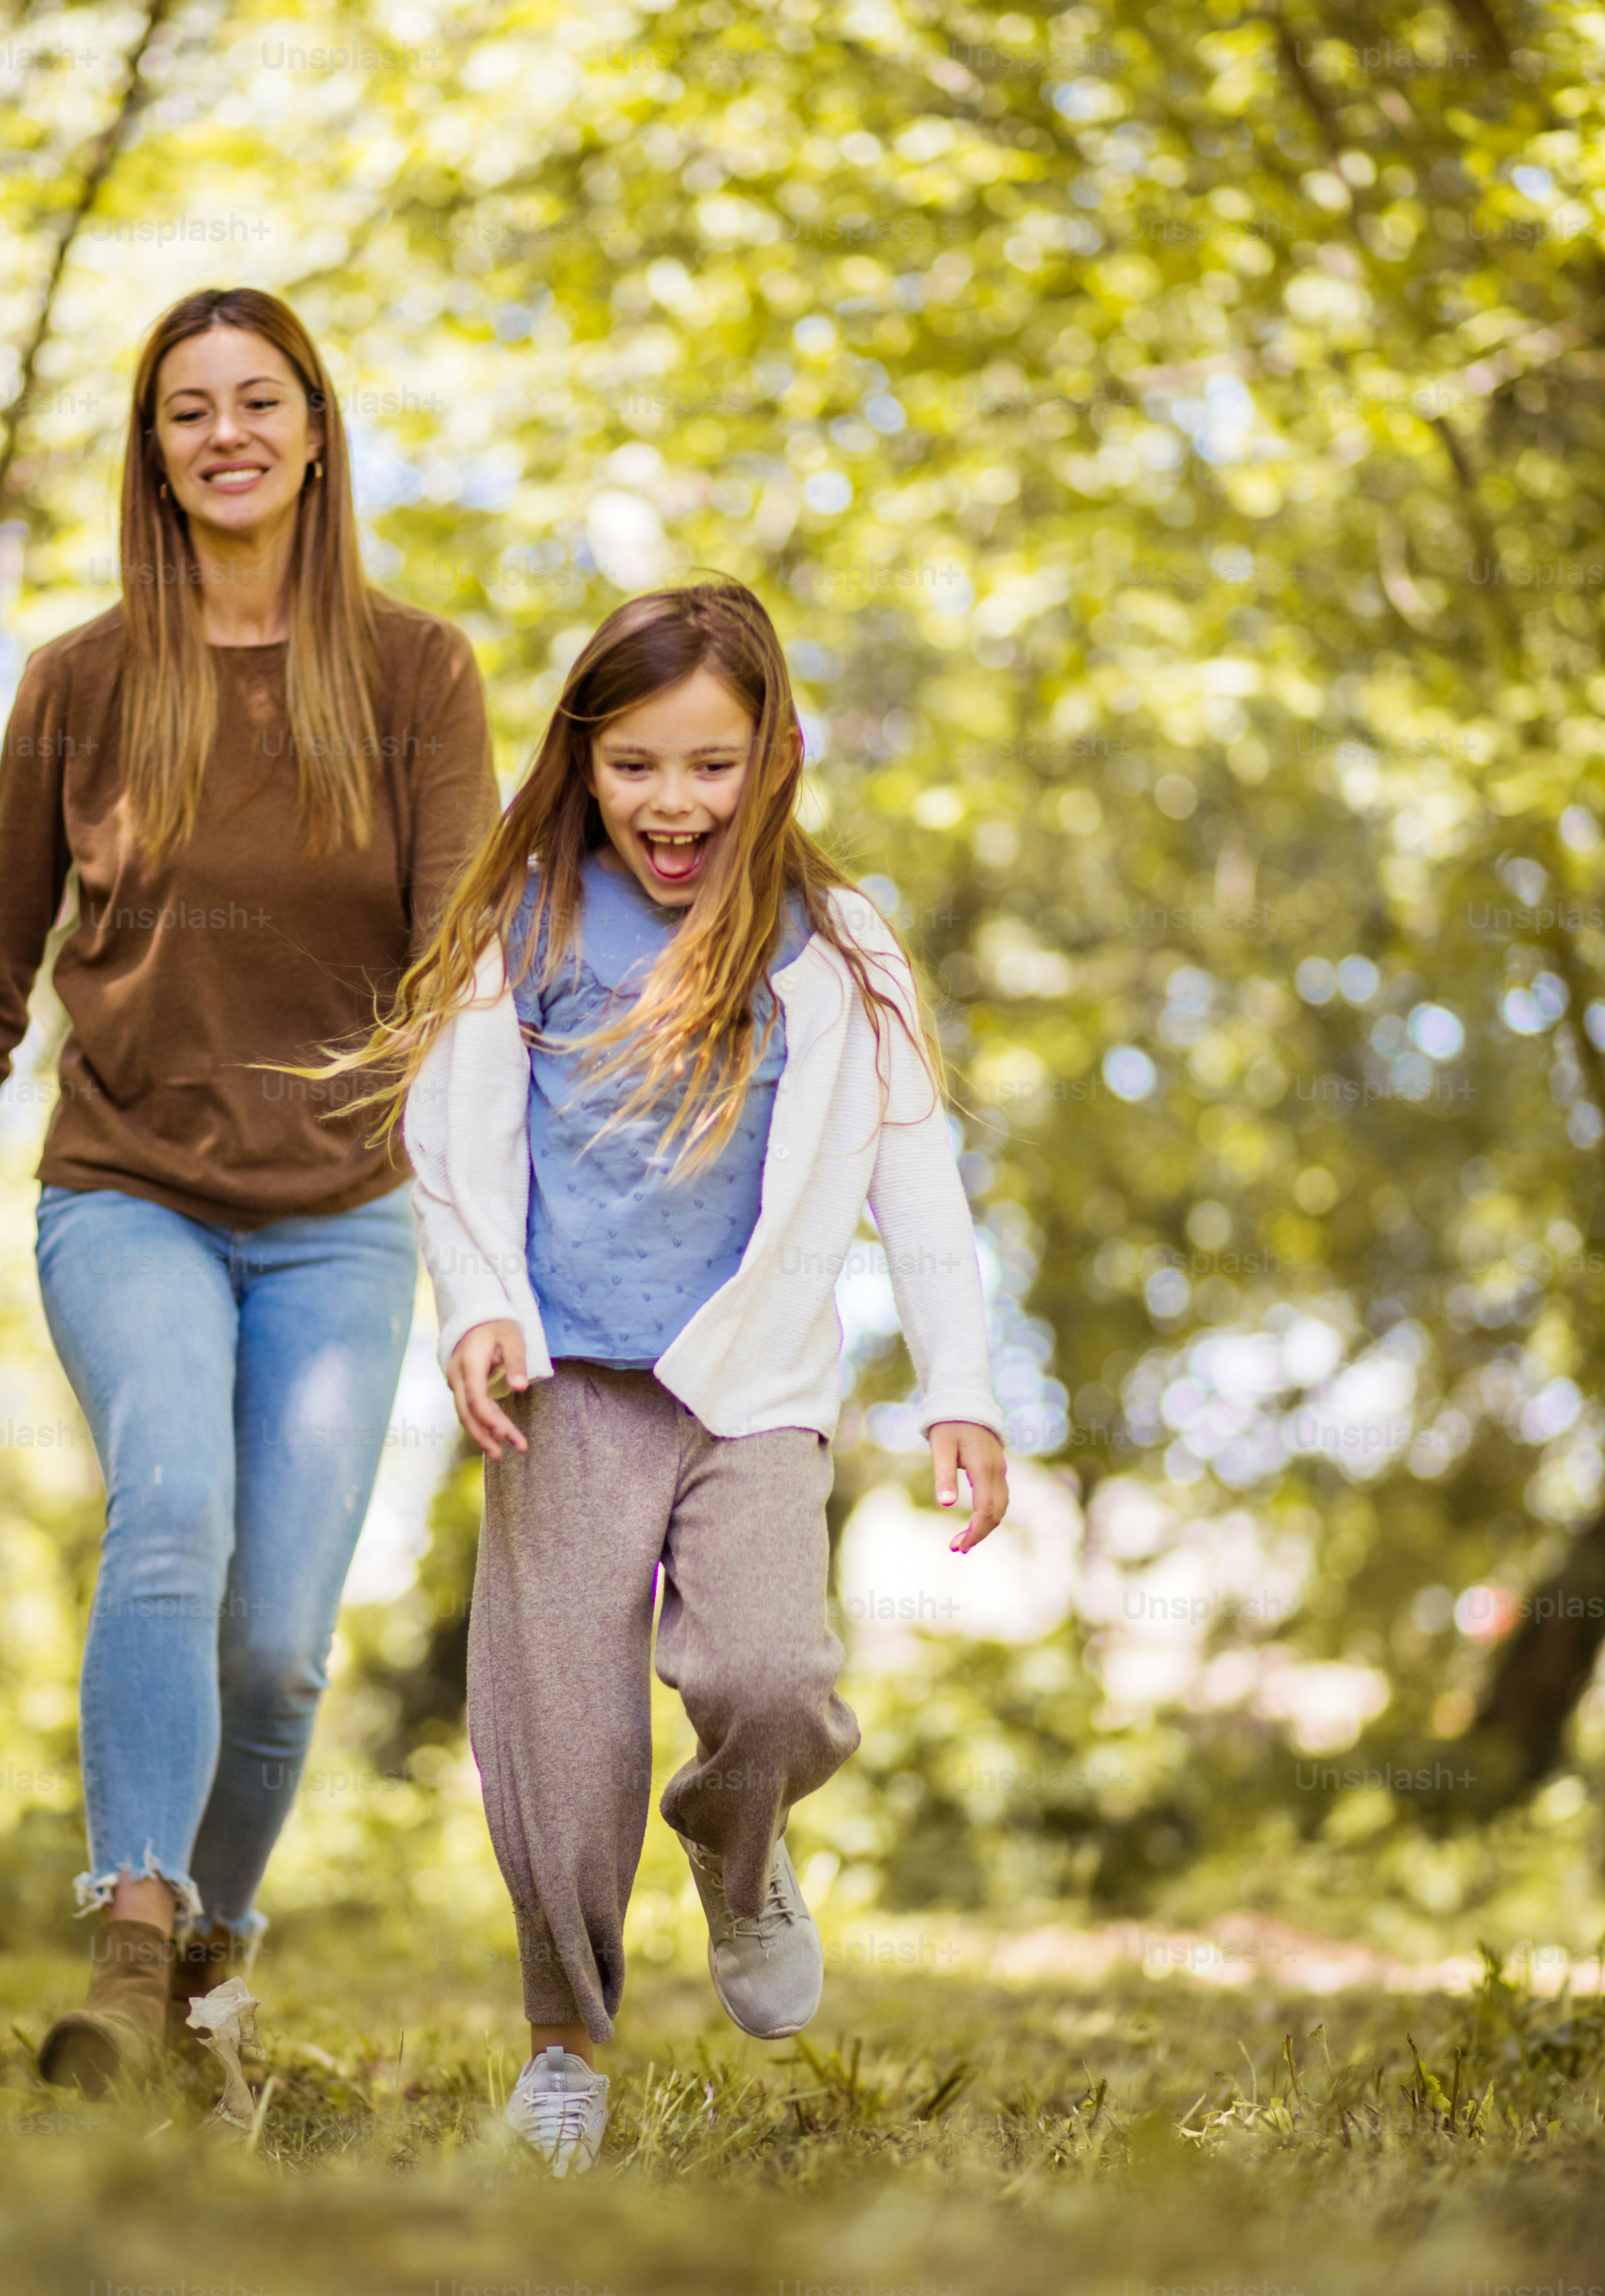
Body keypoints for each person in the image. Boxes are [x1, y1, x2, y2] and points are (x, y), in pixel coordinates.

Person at [0, 287, 494, 2089]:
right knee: (173, 1506)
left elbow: (457, 967)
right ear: (151, 448)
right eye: (185, 408)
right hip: (124, 1189)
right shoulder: (77, 680)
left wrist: (495, 1248)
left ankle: (202, 1975)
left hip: (341, 1213)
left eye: (256, 401)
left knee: (281, 1645)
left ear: (311, 428)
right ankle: (129, 1953)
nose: (223, 432)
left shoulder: (414, 672)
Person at [337, 579, 1010, 2175]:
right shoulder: (533, 924)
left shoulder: (839, 949)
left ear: (775, 753)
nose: (674, 803)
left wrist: (964, 1388)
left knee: (770, 1674)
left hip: (752, 1386)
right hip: (565, 1381)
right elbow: (452, 1143)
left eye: (711, 763)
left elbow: (912, 1175)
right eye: (636, 764)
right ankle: (564, 2047)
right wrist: (480, 1307)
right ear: (581, 761)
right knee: (561, 1748)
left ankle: (740, 1843)